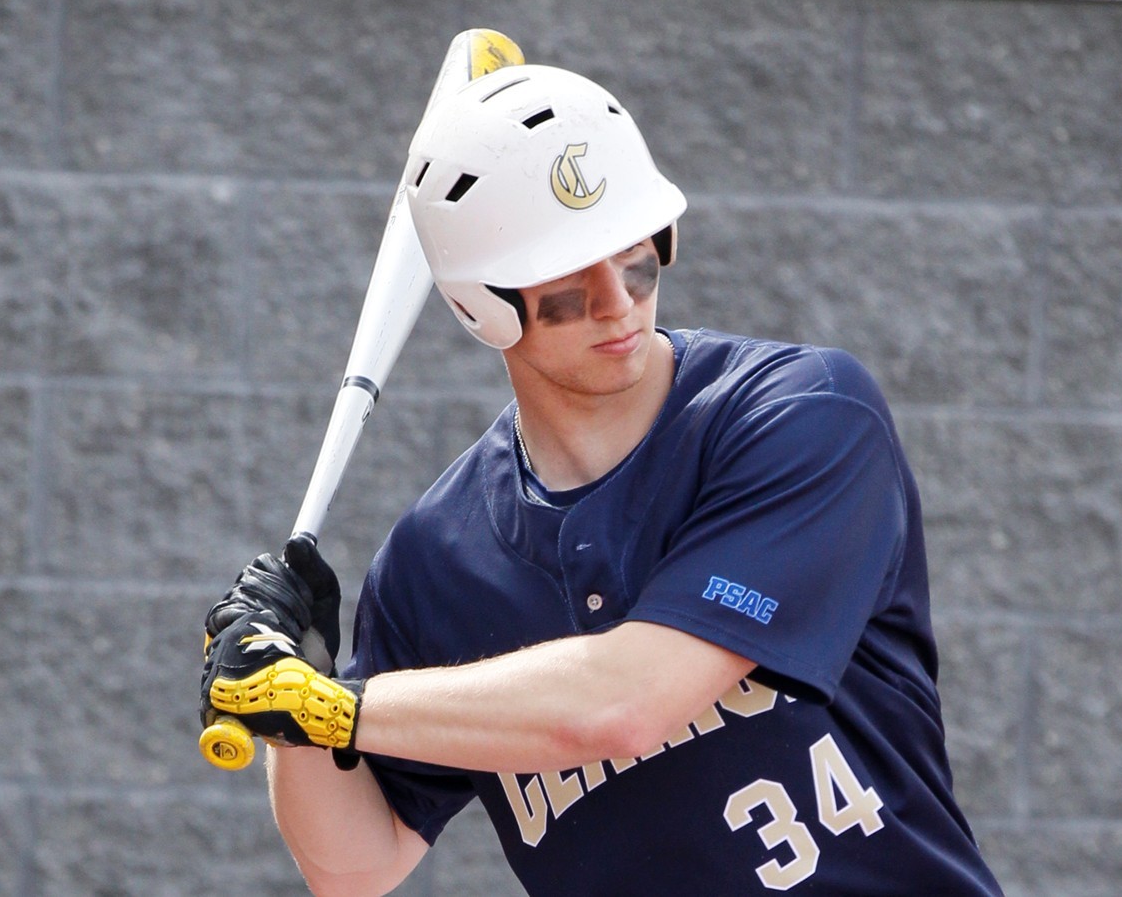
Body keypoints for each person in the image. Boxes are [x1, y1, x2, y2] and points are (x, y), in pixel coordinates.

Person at [201, 64, 1003, 896]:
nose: (618, 303)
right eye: (569, 287)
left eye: (636, 261)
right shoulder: (435, 562)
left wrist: (339, 707)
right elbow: (355, 864)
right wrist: (291, 711)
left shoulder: (800, 417)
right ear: (483, 304)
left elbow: (626, 703)